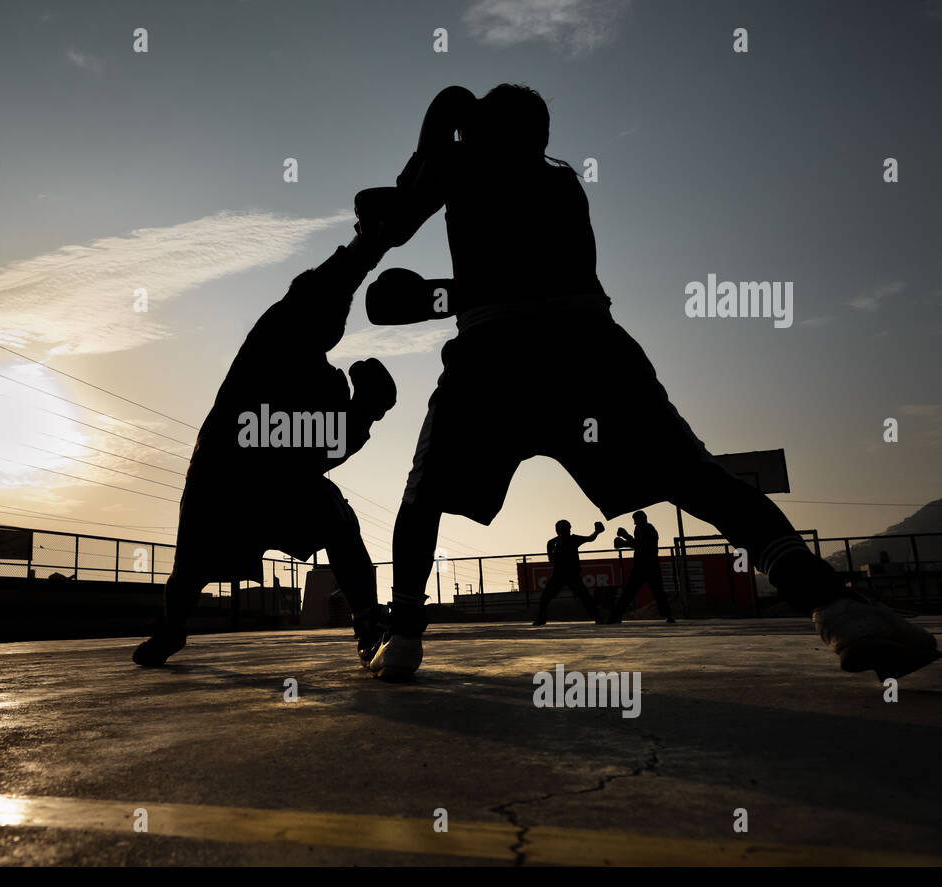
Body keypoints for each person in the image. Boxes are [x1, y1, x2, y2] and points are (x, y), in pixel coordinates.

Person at [360, 83, 938, 682]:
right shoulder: (558, 183)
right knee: (701, 480)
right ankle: (835, 605)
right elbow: (456, 242)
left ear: (483, 133)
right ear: (539, 137)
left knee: (424, 496)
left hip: (495, 357)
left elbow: (402, 229)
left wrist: (430, 183)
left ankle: (402, 636)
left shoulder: (464, 170)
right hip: (589, 349)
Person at [132, 230, 397, 668]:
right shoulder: (274, 331)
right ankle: (172, 628)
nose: (335, 316)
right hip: (224, 473)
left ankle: (368, 622)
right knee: (190, 568)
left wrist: (365, 412)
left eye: (340, 312)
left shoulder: (330, 383)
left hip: (280, 482)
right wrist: (368, 243)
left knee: (335, 515)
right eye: (329, 303)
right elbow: (328, 285)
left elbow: (323, 452)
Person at [533, 519, 605, 625]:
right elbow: (590, 538)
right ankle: (597, 617)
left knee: (547, 597)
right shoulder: (562, 541)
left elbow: (590, 538)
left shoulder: (555, 542)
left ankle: (541, 618)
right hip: (564, 575)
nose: (566, 531)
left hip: (566, 575)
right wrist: (597, 532)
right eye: (565, 529)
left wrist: (597, 532)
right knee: (584, 597)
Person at [608, 511, 674, 624]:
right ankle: (668, 615)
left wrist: (625, 536)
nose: (634, 523)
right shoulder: (648, 528)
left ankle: (616, 616)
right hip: (650, 565)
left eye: (635, 520)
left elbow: (640, 546)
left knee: (629, 592)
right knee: (657, 592)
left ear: (640, 519)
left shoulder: (643, 528)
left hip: (643, 566)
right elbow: (639, 544)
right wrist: (625, 542)